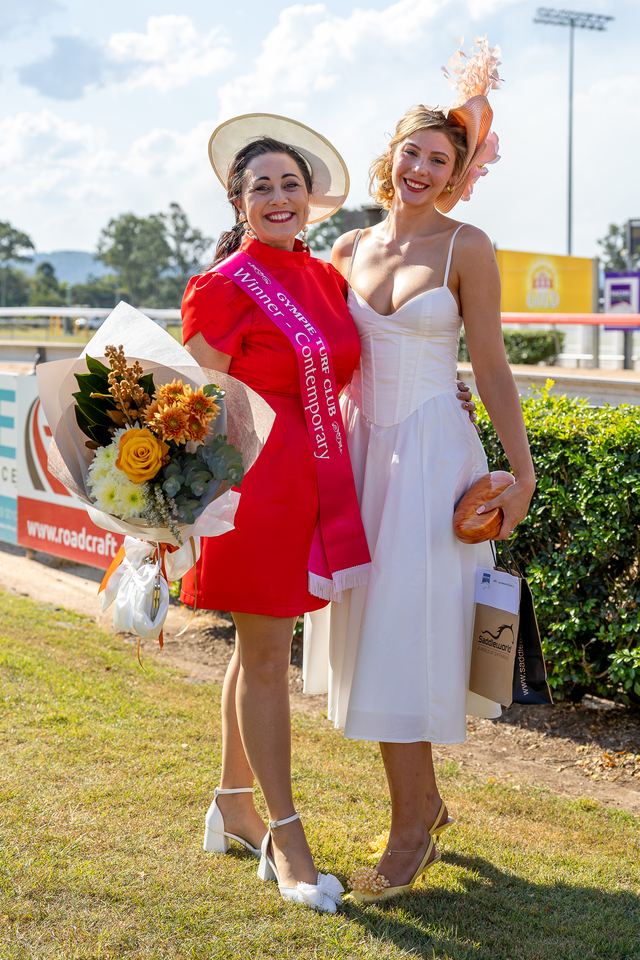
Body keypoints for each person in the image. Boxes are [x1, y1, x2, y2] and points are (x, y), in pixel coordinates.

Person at [179, 114, 477, 912]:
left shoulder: (320, 273)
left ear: (310, 197)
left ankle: (233, 803)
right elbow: (191, 408)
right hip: (253, 493)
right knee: (267, 657)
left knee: (259, 650)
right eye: (260, 187)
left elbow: (366, 356)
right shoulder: (220, 287)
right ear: (236, 200)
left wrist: (437, 387)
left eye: (290, 184)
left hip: (316, 483)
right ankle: (286, 841)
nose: (278, 197)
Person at [304, 39, 536, 902]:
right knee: (371, 636)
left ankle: (413, 828)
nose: (421, 168)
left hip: (435, 458)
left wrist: (523, 472)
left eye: (440, 159)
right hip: (357, 457)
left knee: (410, 634)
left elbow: (495, 367)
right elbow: (315, 359)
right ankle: (423, 806)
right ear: (389, 155)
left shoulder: (466, 247)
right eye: (411, 151)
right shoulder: (347, 246)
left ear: (458, 173)